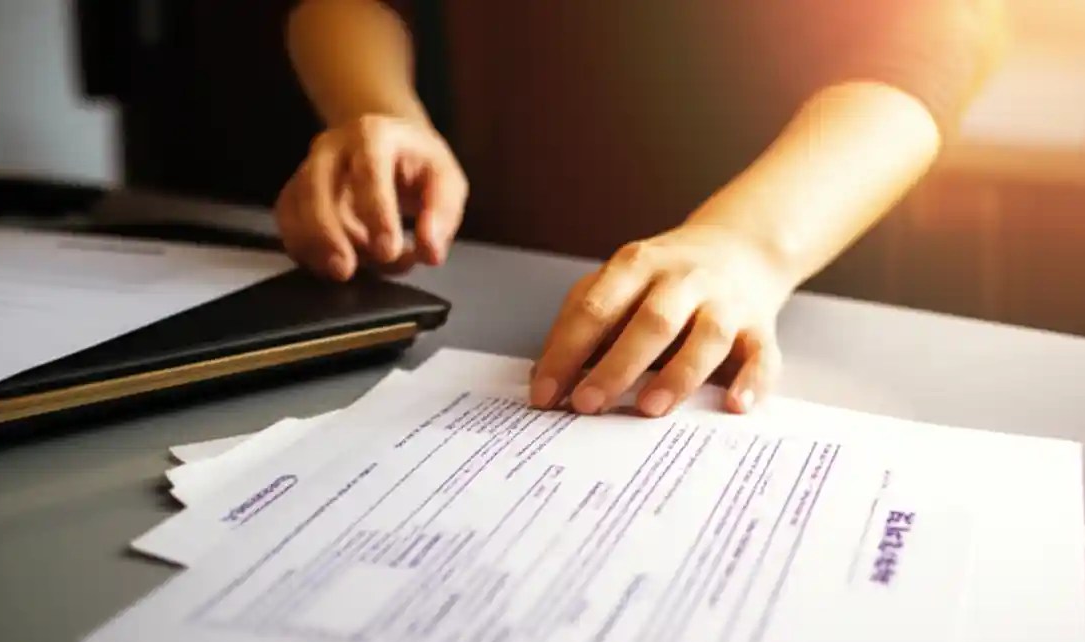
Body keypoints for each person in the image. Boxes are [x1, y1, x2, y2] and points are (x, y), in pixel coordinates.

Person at [274, 0, 1003, 417]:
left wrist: (745, 247)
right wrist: (377, 111)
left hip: (797, 293)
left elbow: (929, 45)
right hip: (490, 291)